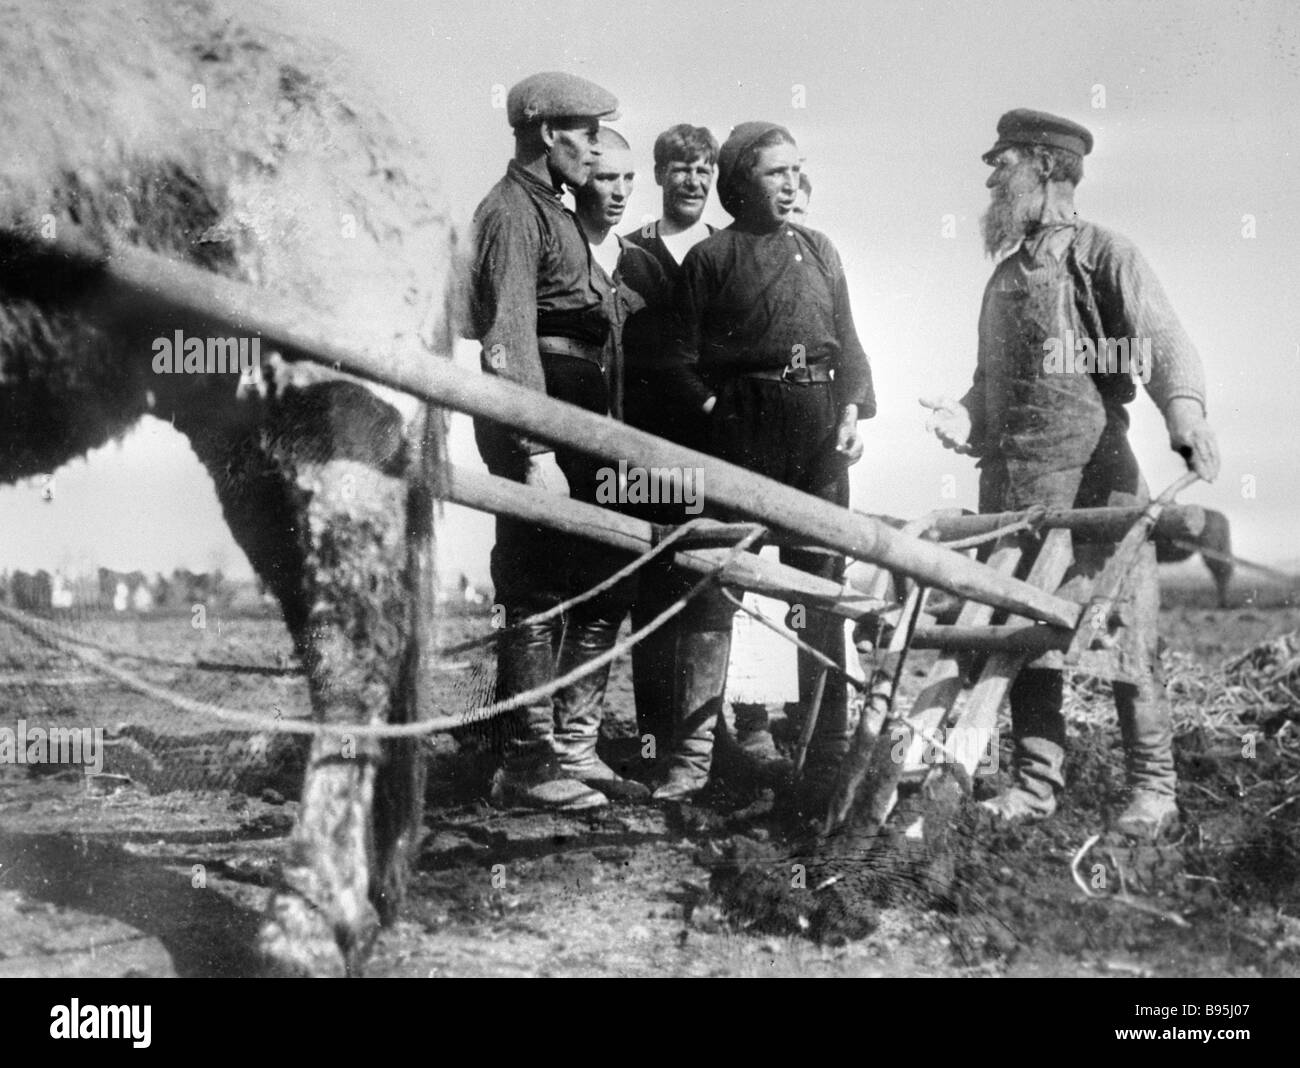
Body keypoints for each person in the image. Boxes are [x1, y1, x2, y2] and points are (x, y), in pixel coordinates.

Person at [922, 108, 1220, 838]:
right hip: (1014, 496)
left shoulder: (1104, 256)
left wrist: (1186, 417)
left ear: (1049, 168)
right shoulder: (1002, 279)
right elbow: (989, 383)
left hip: (1099, 493)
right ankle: (1031, 788)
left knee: (1127, 641)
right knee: (1026, 644)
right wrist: (966, 418)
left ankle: (1153, 791)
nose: (991, 175)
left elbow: (1163, 341)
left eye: (1004, 162)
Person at [659, 121, 876, 808]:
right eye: (776, 172)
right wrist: (717, 408)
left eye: (797, 171)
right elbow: (676, 362)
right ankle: (699, 758)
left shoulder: (820, 250)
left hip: (817, 434)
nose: (792, 183)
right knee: (724, 589)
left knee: (822, 594)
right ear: (739, 182)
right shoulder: (712, 259)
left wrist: (850, 411)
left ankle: (825, 753)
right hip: (743, 435)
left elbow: (851, 349)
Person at [467, 70, 627, 811]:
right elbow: (507, 335)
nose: (595, 149)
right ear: (544, 131)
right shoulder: (509, 212)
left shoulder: (556, 211)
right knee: (536, 594)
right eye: (587, 133)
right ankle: (527, 765)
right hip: (540, 431)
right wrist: (534, 453)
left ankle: (572, 746)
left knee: (602, 582)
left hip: (582, 428)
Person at [618, 124, 725, 782]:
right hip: (649, 444)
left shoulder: (729, 251)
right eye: (682, 168)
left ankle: (715, 742)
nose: (694, 180)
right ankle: (657, 742)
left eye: (705, 168)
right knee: (654, 589)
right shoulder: (628, 252)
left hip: (715, 443)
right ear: (659, 176)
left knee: (716, 586)